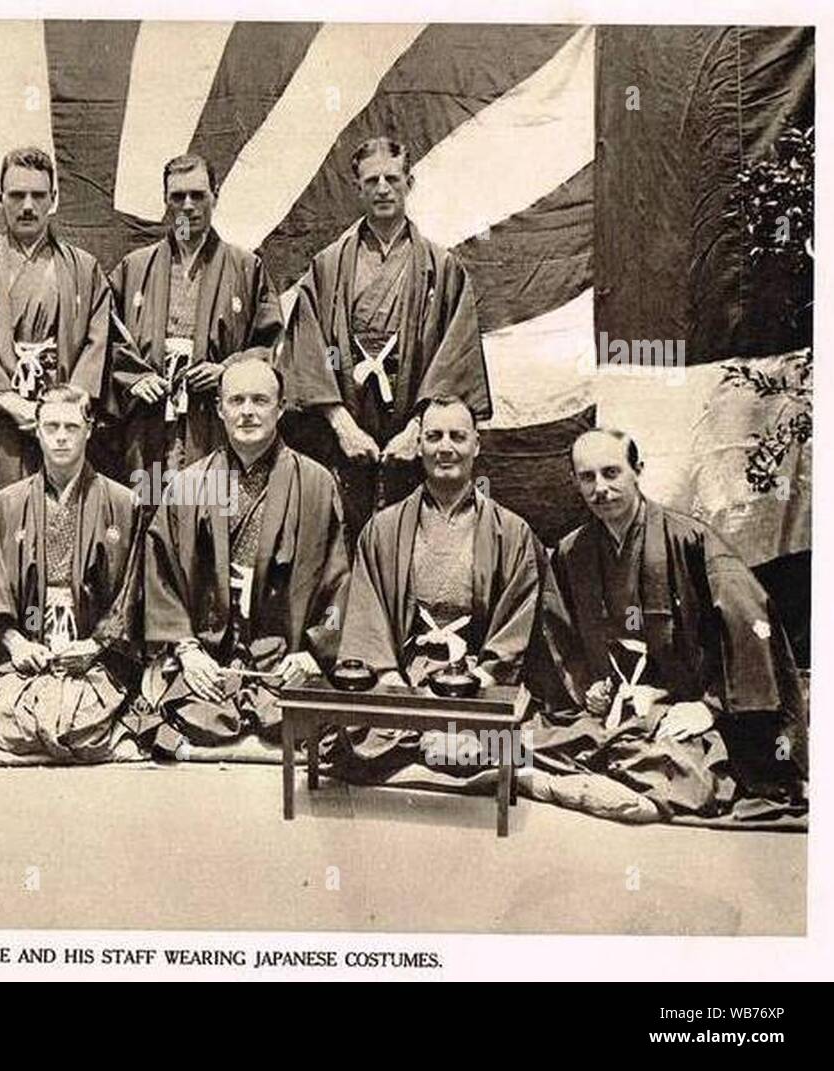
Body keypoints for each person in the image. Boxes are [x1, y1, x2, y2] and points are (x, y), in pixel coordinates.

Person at [525, 429, 807, 820]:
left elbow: (749, 622)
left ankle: (607, 786)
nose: (600, 488)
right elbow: (560, 635)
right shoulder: (574, 550)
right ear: (574, 481)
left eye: (611, 473)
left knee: (691, 767)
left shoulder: (690, 539)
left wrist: (711, 707)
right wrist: (590, 686)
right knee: (535, 739)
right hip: (619, 710)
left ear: (637, 470)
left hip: (683, 705)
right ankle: (613, 781)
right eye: (587, 477)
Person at [280, 136, 490, 547]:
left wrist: (419, 427)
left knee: (410, 545)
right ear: (357, 188)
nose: (382, 188)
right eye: (371, 180)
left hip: (411, 419)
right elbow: (306, 347)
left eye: (392, 178)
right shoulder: (328, 266)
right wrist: (341, 425)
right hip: (344, 422)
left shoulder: (440, 268)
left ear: (409, 183)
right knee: (338, 539)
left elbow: (456, 353)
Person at [139, 354, 350, 757]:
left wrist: (312, 651)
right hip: (213, 653)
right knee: (180, 711)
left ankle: (231, 746)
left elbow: (338, 579)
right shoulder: (188, 484)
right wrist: (187, 650)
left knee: (312, 716)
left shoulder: (317, 483)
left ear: (281, 408)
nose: (248, 412)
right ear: (219, 409)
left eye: (260, 400)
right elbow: (161, 573)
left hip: (283, 651)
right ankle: (251, 744)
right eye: (236, 401)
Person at [328, 395, 546, 782]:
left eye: (457, 437)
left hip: (475, 674)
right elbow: (367, 611)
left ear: (476, 445)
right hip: (404, 674)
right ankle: (426, 744)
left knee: (497, 742)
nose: (445, 448)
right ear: (419, 445)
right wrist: (393, 684)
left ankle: (435, 749)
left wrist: (479, 678)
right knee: (352, 743)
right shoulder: (384, 528)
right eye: (434, 436)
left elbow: (517, 621)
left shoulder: (511, 531)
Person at [0, 146, 111, 573]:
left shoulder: (84, 270)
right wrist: (13, 404)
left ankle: (62, 622)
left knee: (65, 521)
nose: (28, 206)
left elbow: (96, 342)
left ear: (55, 197)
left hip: (62, 425)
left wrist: (60, 409)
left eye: (38, 195)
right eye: (16, 195)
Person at [0, 387, 142, 765]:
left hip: (94, 652)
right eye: (51, 427)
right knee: (4, 714)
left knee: (82, 714)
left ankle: (31, 753)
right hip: (31, 647)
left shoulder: (123, 502)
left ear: (89, 430)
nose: (61, 436)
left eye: (71, 426)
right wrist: (16, 644)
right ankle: (87, 748)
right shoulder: (7, 503)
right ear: (36, 430)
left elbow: (131, 588)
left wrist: (95, 646)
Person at [108, 153, 284, 480]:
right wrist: (135, 378)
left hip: (213, 421)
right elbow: (105, 337)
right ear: (165, 201)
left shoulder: (245, 267)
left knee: (210, 505)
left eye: (198, 195)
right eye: (178, 196)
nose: (188, 206)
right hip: (149, 419)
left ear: (214, 196)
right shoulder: (135, 267)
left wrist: (226, 371)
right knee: (149, 506)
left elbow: (270, 343)